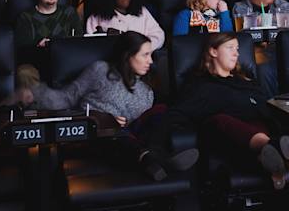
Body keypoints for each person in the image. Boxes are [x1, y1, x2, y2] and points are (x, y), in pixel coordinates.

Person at [13, 31, 198, 181]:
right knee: (111, 131)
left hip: (128, 141)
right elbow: (67, 98)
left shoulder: (146, 91)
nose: (151, 61)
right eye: (145, 55)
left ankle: (152, 159)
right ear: (128, 56)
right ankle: (155, 159)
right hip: (95, 134)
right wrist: (33, 91)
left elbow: (142, 127)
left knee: (160, 112)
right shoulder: (101, 70)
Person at [163, 33, 289, 188]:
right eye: (230, 48)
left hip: (257, 127)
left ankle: (269, 156)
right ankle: (273, 147)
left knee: (262, 124)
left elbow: (265, 108)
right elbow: (180, 111)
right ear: (213, 51)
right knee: (222, 120)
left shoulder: (246, 81)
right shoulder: (200, 84)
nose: (236, 53)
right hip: (223, 133)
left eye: (237, 49)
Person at [15, 0, 83, 72]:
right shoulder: (25, 17)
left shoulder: (69, 12)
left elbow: (80, 43)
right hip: (39, 64)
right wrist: (39, 47)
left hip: (67, 63)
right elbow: (23, 53)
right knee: (24, 72)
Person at [85, 0, 165, 49]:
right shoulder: (96, 18)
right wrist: (109, 39)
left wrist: (140, 48)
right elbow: (91, 46)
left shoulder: (142, 12)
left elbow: (159, 36)